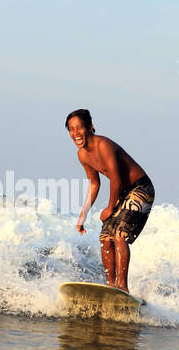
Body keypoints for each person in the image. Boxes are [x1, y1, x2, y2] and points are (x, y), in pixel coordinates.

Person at [66, 109, 153, 293]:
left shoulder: (103, 145)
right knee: (106, 238)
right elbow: (95, 183)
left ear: (90, 127)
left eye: (79, 127)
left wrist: (110, 207)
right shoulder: (82, 155)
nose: (76, 133)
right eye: (71, 129)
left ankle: (123, 287)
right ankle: (112, 286)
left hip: (140, 188)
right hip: (122, 193)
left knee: (120, 234)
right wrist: (83, 215)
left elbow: (116, 179)